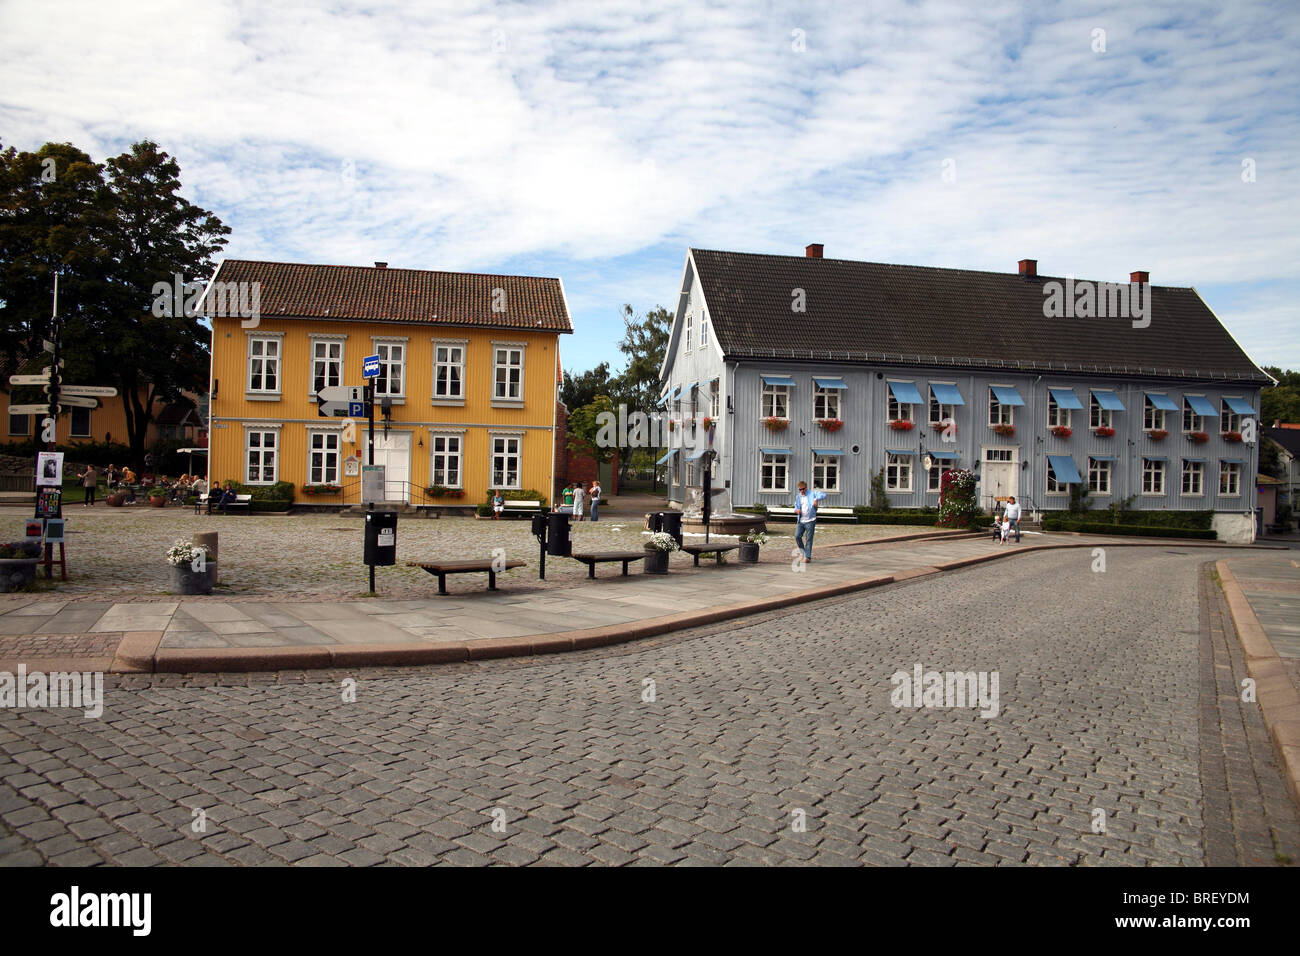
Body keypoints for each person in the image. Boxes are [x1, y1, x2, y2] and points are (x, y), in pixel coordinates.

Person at [794, 480, 826, 562]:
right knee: (797, 536)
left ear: (806, 488)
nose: (802, 491)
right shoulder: (798, 497)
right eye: (800, 489)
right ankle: (803, 553)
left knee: (809, 539)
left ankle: (807, 557)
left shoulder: (812, 494)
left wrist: (816, 499)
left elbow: (824, 495)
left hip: (810, 520)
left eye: (803, 489)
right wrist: (797, 510)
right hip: (801, 520)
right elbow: (796, 507)